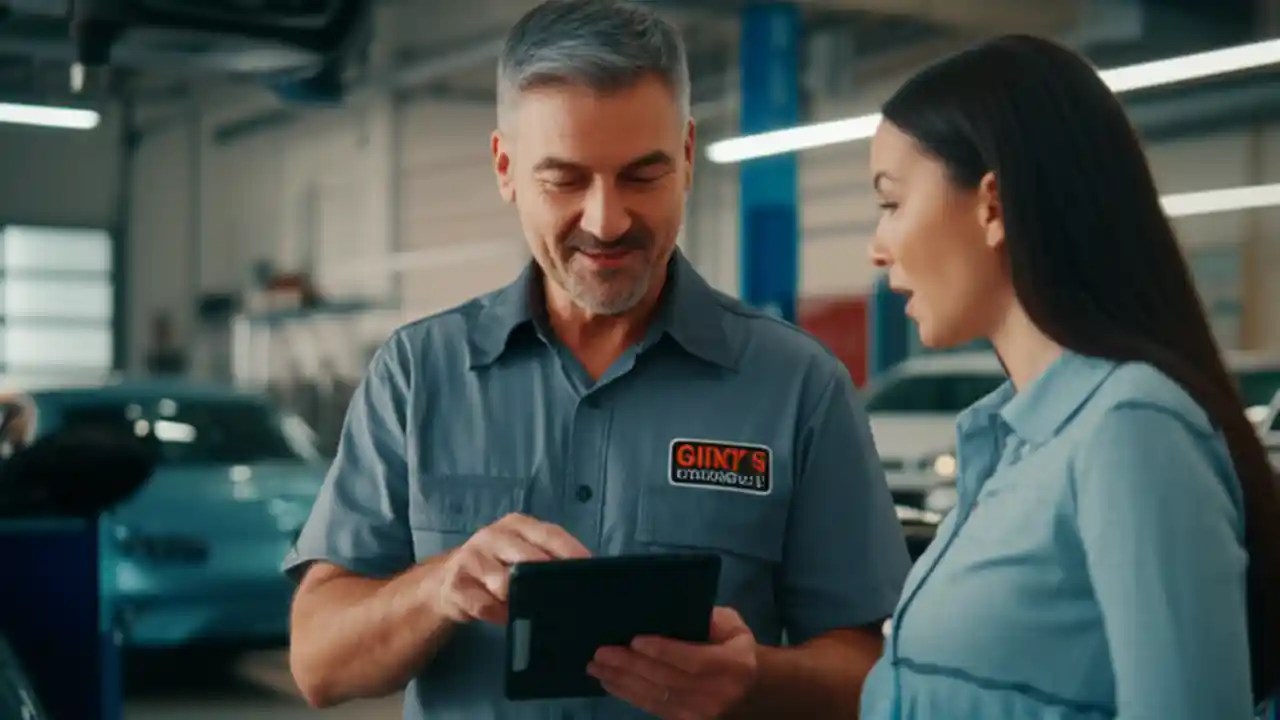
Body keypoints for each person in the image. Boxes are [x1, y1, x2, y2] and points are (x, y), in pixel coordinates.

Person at [284, 1, 910, 718]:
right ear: (505, 168)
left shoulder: (798, 388)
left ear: (684, 158)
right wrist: (439, 585)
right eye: (566, 180)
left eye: (641, 176)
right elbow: (318, 661)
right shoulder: (417, 375)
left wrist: (756, 678)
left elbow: (872, 674)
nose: (606, 221)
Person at [860, 34, 1280, 719]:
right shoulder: (1005, 438)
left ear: (992, 206)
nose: (878, 248)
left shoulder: (1129, 430)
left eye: (891, 202)